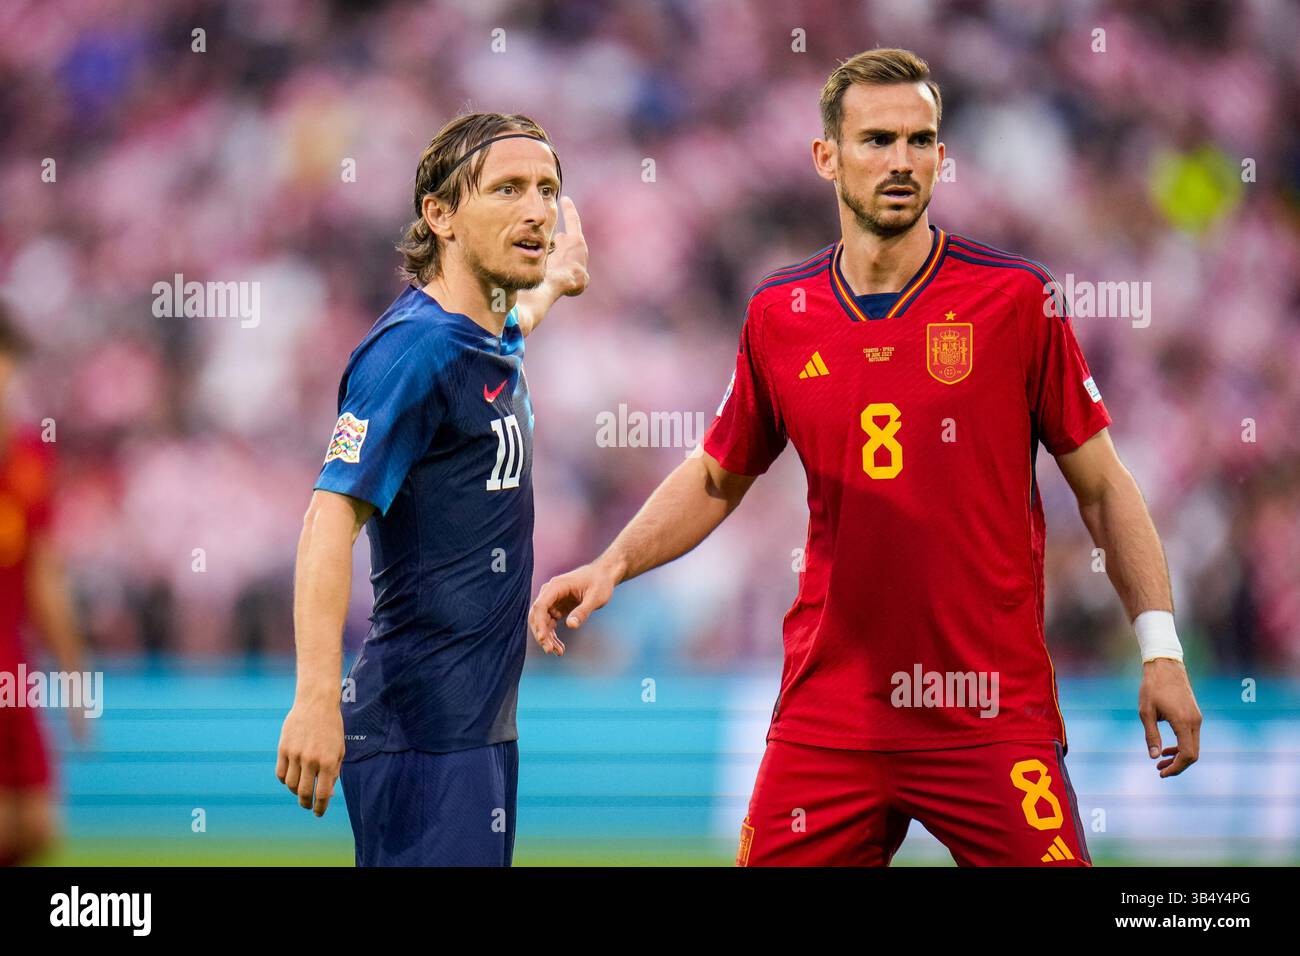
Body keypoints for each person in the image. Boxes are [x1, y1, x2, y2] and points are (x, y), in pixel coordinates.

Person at [529, 49, 1201, 867]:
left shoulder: (1016, 300)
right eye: (877, 140)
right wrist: (614, 563)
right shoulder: (782, 313)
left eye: (921, 143)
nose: (901, 162)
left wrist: (1160, 648)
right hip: (831, 718)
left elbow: (1102, 488)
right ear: (826, 157)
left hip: (988, 715)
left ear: (942, 159)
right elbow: (716, 474)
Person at [275, 112, 588, 866]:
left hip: (476, 728)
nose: (537, 209)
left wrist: (555, 282)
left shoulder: (482, 334)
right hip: (420, 729)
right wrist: (316, 697)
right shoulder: (413, 351)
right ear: (439, 215)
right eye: (508, 189)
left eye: (547, 189)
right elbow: (328, 518)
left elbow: (507, 333)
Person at [0, 301, 89, 866]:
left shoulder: (30, 458)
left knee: (36, 822)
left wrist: (72, 671)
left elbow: (44, 578)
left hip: (11, 665)